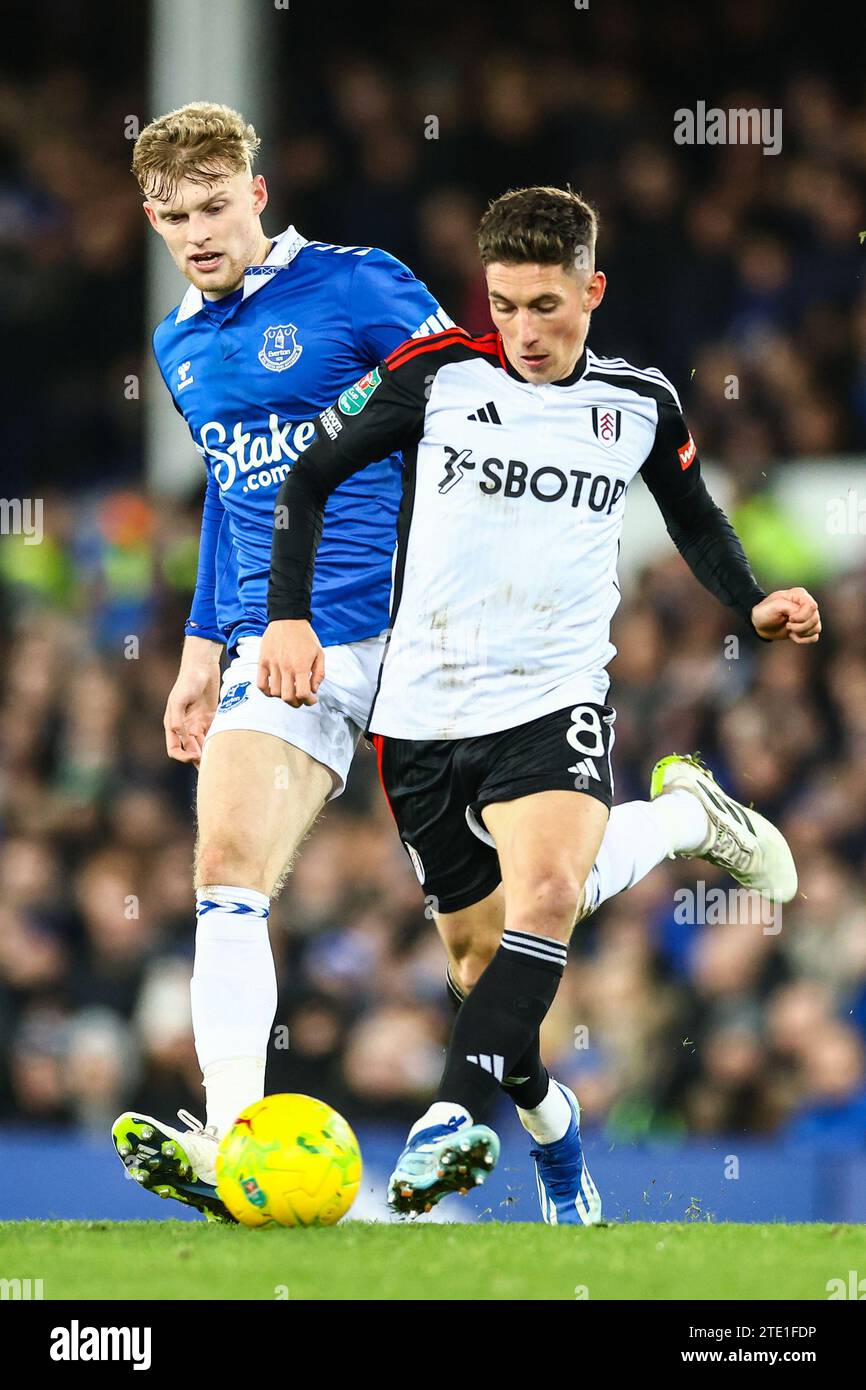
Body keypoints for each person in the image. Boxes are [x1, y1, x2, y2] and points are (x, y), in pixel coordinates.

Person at [261, 184, 821, 1223]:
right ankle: (560, 1120)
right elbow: (306, 479)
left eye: (546, 307)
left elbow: (694, 517)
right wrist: (285, 618)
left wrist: (751, 602)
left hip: (553, 695)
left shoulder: (637, 404)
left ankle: (446, 1119)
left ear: (591, 292)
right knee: (485, 971)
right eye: (505, 304)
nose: (523, 330)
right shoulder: (434, 377)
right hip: (422, 714)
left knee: (550, 896)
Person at [110, 101, 455, 1221]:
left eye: (215, 207)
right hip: (277, 647)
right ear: (153, 220)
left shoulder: (359, 285)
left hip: (418, 635)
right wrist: (199, 649)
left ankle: (677, 822)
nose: (198, 233)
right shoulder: (177, 344)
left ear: (256, 194)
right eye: (174, 217)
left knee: (510, 911)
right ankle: (232, 1146)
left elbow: (471, 404)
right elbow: (229, 491)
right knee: (225, 868)